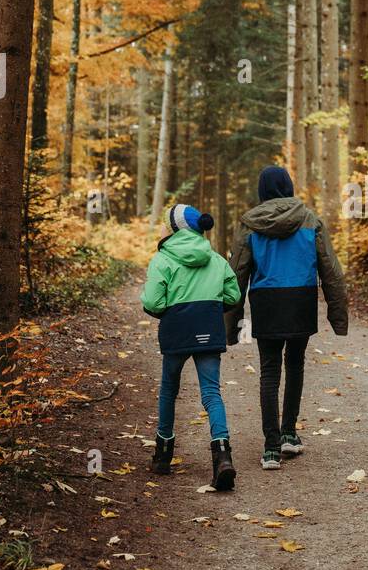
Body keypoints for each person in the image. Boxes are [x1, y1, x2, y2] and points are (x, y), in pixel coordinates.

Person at [228, 166, 348, 471]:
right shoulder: (310, 219)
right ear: (289, 186)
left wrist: (230, 322)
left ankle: (270, 449)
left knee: (269, 372)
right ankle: (289, 434)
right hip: (300, 299)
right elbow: (331, 270)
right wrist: (338, 313)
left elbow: (237, 273)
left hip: (267, 302)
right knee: (295, 364)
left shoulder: (250, 224)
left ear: (262, 191)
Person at [141, 204, 242, 490]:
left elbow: (152, 302)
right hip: (209, 331)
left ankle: (163, 455)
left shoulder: (162, 260)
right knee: (211, 393)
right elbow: (233, 295)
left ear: (173, 229)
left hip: (176, 333)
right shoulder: (216, 259)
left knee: (169, 391)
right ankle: (222, 456)